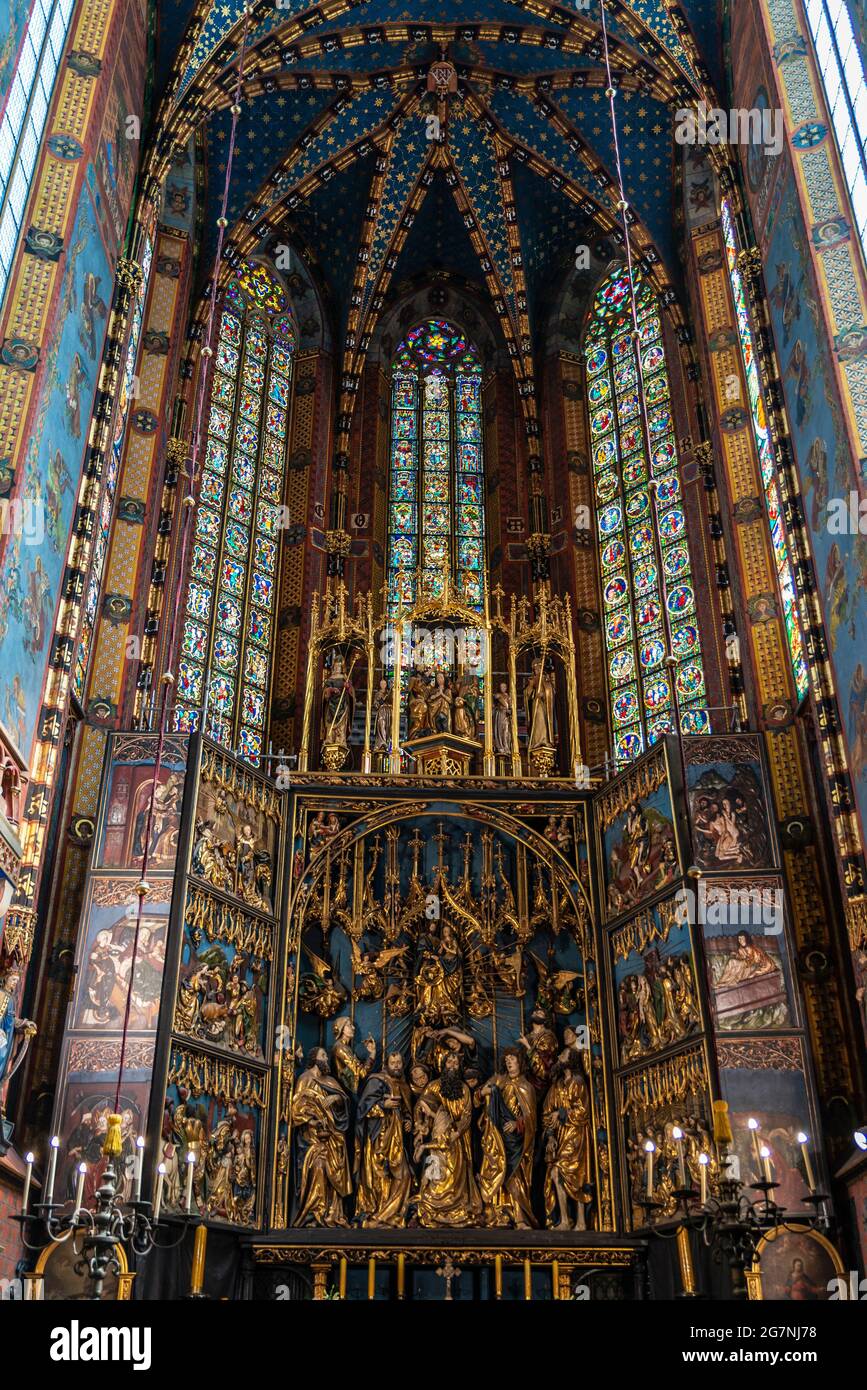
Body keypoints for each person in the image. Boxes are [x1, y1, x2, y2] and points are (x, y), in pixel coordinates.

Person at [414, 1053, 482, 1227]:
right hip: (438, 1137)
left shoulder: (464, 1089)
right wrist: (420, 1126)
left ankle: (456, 1210)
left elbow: (467, 1116)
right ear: (443, 1064)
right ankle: (434, 1210)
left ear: (459, 1066)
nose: (452, 1065)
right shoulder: (434, 1086)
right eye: (449, 1061)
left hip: (457, 1138)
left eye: (456, 1062)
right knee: (435, 1174)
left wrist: (456, 1132)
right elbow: (420, 1106)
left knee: (456, 1176)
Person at [290, 1046, 352, 1227]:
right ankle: (314, 1213)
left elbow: (344, 1102)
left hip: (332, 1135)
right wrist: (311, 1121)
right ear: (314, 1058)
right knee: (319, 1166)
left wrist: (336, 1099)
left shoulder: (330, 1080)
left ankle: (333, 1214)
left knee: (335, 1170)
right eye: (323, 1056)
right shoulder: (305, 1079)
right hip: (312, 1137)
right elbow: (296, 1109)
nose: (327, 1059)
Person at [478, 1047, 537, 1228]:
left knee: (515, 1177)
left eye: (513, 1059)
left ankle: (519, 1218)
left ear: (520, 1062)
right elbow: (478, 1096)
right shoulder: (498, 1080)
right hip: (497, 1136)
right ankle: (496, 1216)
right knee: (496, 1173)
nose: (509, 1062)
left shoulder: (526, 1087)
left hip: (516, 1141)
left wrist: (517, 1124)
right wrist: (483, 1093)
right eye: (507, 1059)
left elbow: (531, 1118)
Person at [354, 1051, 413, 1227]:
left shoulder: (404, 1086)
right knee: (379, 1178)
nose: (396, 1065)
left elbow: (406, 1110)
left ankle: (390, 1214)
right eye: (393, 1062)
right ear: (386, 1064)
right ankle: (377, 1214)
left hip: (397, 1139)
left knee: (404, 1176)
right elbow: (362, 1110)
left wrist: (408, 1121)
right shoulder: (376, 1080)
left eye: (399, 1063)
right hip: (377, 1138)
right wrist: (382, 1105)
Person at [543, 1046, 593, 1230]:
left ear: (570, 1060)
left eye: (562, 1055)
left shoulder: (578, 1082)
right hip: (561, 1135)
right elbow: (547, 1112)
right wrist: (549, 1137)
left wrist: (562, 1113)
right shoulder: (557, 1086)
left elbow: (582, 1111)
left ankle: (580, 1220)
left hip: (576, 1134)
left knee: (575, 1176)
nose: (558, 1056)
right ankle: (565, 1219)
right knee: (557, 1174)